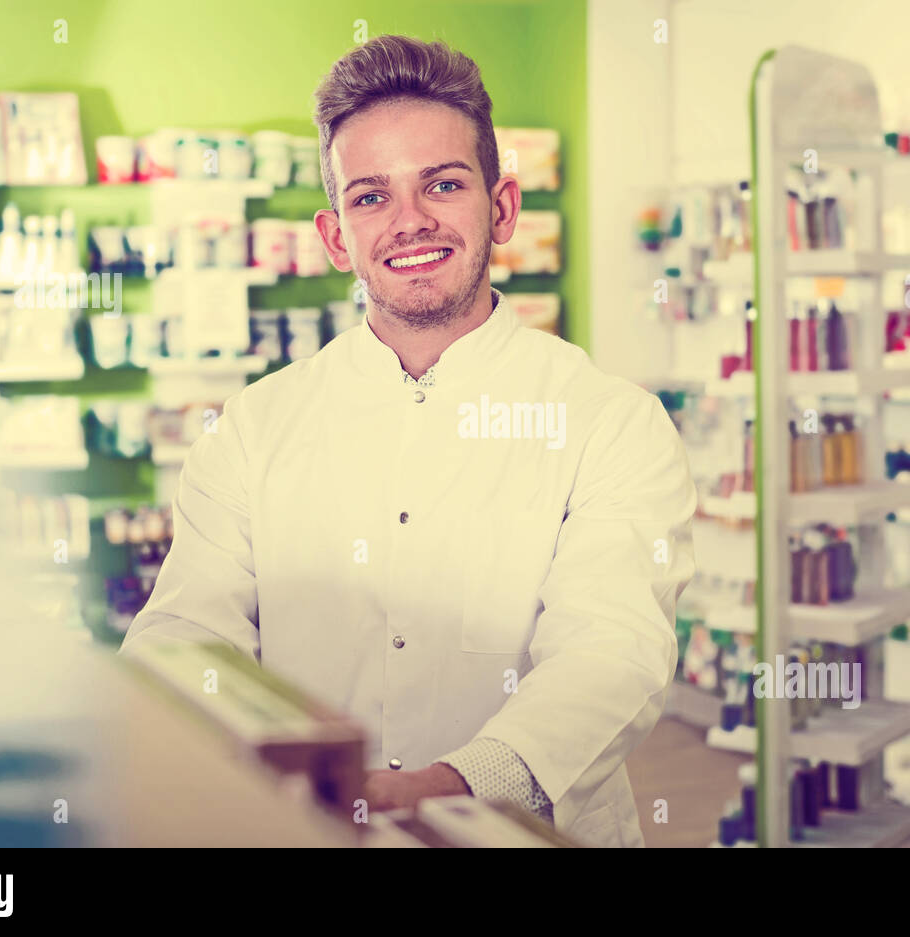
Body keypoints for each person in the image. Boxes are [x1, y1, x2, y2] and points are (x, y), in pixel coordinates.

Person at [121, 34, 696, 848]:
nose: (409, 222)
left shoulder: (610, 422)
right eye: (370, 197)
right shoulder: (255, 428)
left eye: (443, 184)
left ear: (501, 207)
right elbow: (186, 634)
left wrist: (460, 786)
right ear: (334, 237)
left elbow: (612, 653)